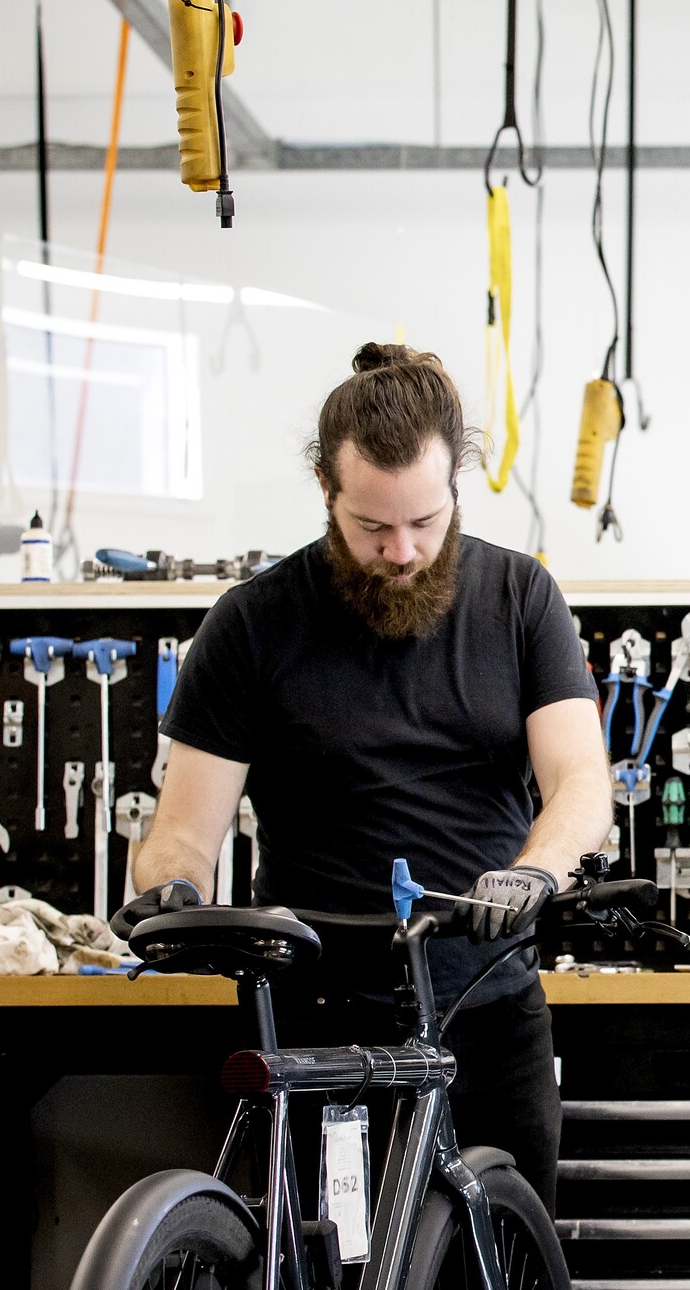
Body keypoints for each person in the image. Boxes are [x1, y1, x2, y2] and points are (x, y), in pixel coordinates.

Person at [129, 345, 611, 1210]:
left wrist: (537, 870)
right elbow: (185, 832)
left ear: (457, 484)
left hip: (484, 1004)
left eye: (426, 521)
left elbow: (579, 779)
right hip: (313, 1016)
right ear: (326, 490)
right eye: (372, 528)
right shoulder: (250, 625)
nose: (402, 550)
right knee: (330, 1288)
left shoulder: (520, 598)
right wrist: (171, 892)